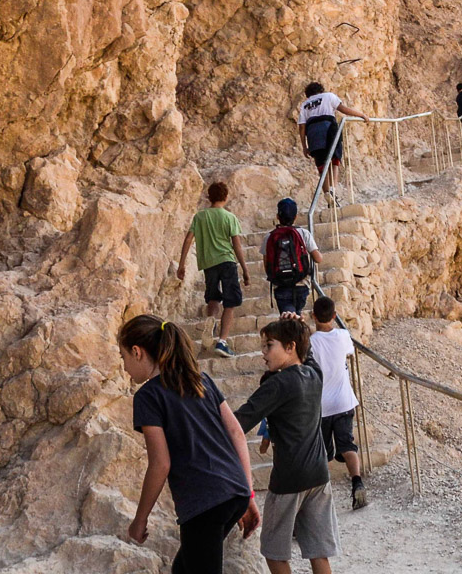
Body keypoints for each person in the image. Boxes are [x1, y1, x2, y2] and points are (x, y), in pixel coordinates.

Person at [118, 313, 259, 572]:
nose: (124, 367)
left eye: (123, 357)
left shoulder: (148, 396)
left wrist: (140, 519)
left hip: (204, 502)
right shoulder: (201, 381)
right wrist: (247, 492)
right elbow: (237, 433)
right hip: (235, 491)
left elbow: (160, 464)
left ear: (137, 352)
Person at [233, 317, 337, 574]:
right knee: (319, 552)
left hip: (288, 479)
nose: (263, 352)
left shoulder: (278, 384)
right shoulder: (314, 374)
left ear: (290, 347)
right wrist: (300, 326)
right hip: (319, 474)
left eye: (269, 345)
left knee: (274, 552)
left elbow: (239, 422)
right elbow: (308, 354)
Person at [178, 182, 250, 356]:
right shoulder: (229, 217)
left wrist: (181, 264)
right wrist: (245, 270)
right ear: (226, 197)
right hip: (227, 261)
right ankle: (222, 342)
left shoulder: (200, 217)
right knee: (230, 303)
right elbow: (237, 245)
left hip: (209, 264)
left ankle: (211, 319)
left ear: (209, 197)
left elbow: (188, 239)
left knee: (213, 297)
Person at [309, 297, 364, 509]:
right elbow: (350, 352)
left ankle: (322, 495)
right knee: (348, 445)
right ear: (334, 315)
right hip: (343, 401)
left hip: (321, 406)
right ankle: (357, 483)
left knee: (322, 452)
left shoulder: (311, 342)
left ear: (313, 316)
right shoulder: (342, 335)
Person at [296, 82, 370, 199]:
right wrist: (361, 115)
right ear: (321, 90)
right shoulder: (328, 96)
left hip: (313, 134)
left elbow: (301, 127)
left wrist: (304, 147)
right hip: (329, 129)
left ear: (308, 94)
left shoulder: (305, 105)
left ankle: (327, 194)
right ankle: (333, 190)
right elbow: (343, 109)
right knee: (335, 158)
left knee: (321, 164)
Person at [264, 198, 317, 318]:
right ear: (296, 217)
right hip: (301, 283)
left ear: (277, 216)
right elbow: (318, 258)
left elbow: (267, 265)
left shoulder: (269, 237)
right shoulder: (303, 233)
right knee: (295, 316)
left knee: (289, 317)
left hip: (281, 285)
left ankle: (295, 325)